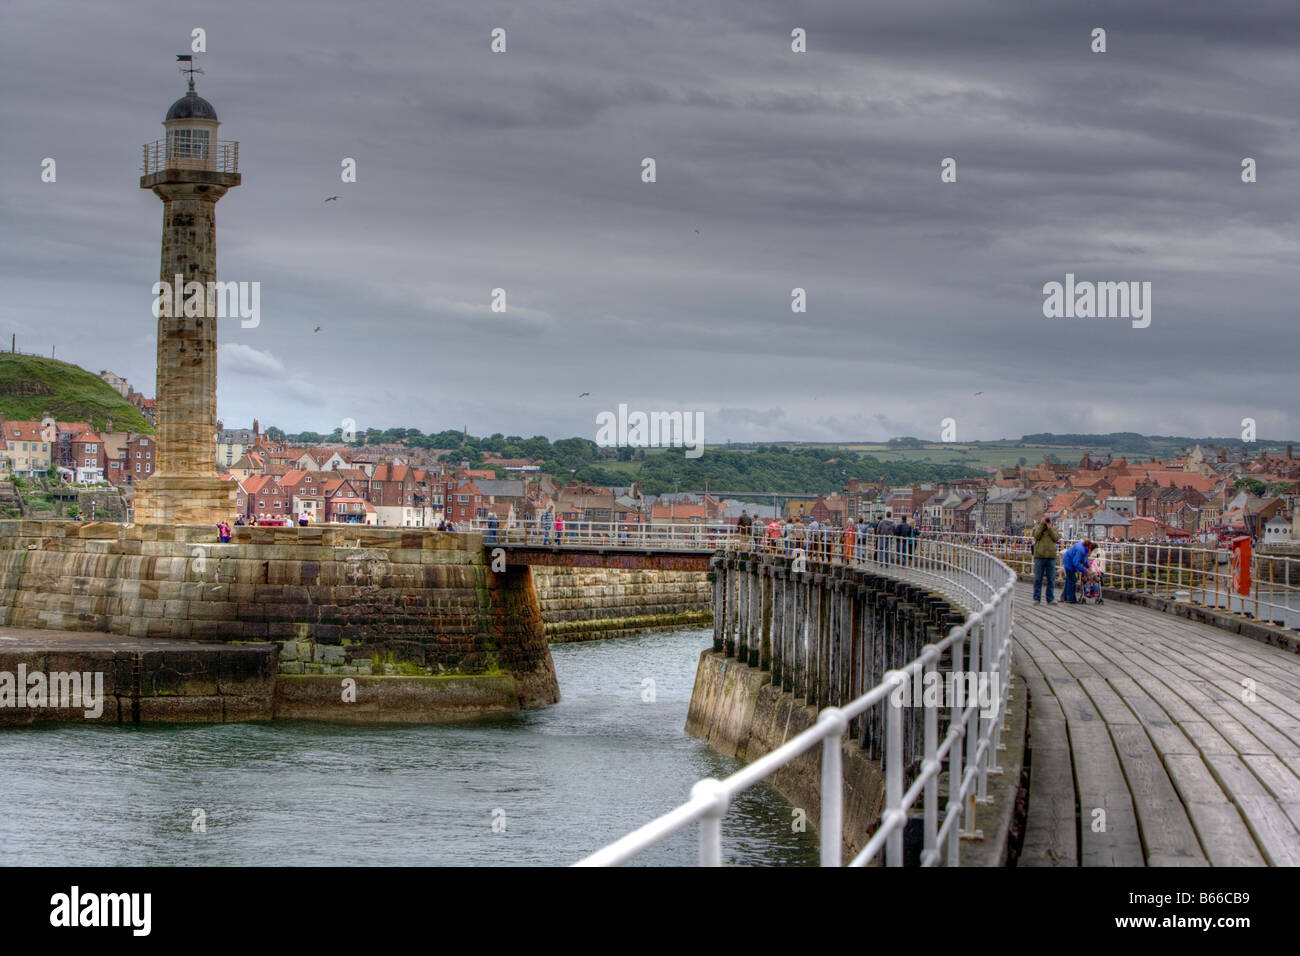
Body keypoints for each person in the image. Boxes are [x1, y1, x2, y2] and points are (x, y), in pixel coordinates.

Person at [1031, 516, 1061, 604]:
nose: (1047, 521)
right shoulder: (1037, 527)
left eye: (1049, 519)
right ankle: (1037, 598)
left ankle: (1050, 598)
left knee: (1051, 579)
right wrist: (1041, 525)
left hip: (1051, 556)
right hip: (1039, 556)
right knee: (1037, 579)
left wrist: (1049, 527)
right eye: (1045, 519)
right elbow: (1036, 535)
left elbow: (1056, 538)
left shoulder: (1054, 528)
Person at [1062, 539, 1094, 604]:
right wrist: (1085, 570)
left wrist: (1089, 566)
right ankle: (1071, 599)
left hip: (1067, 560)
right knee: (1072, 580)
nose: (1091, 553)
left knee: (1069, 580)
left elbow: (1084, 559)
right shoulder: (1081, 550)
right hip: (1069, 563)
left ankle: (1065, 597)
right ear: (1090, 549)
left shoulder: (1083, 547)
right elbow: (1076, 563)